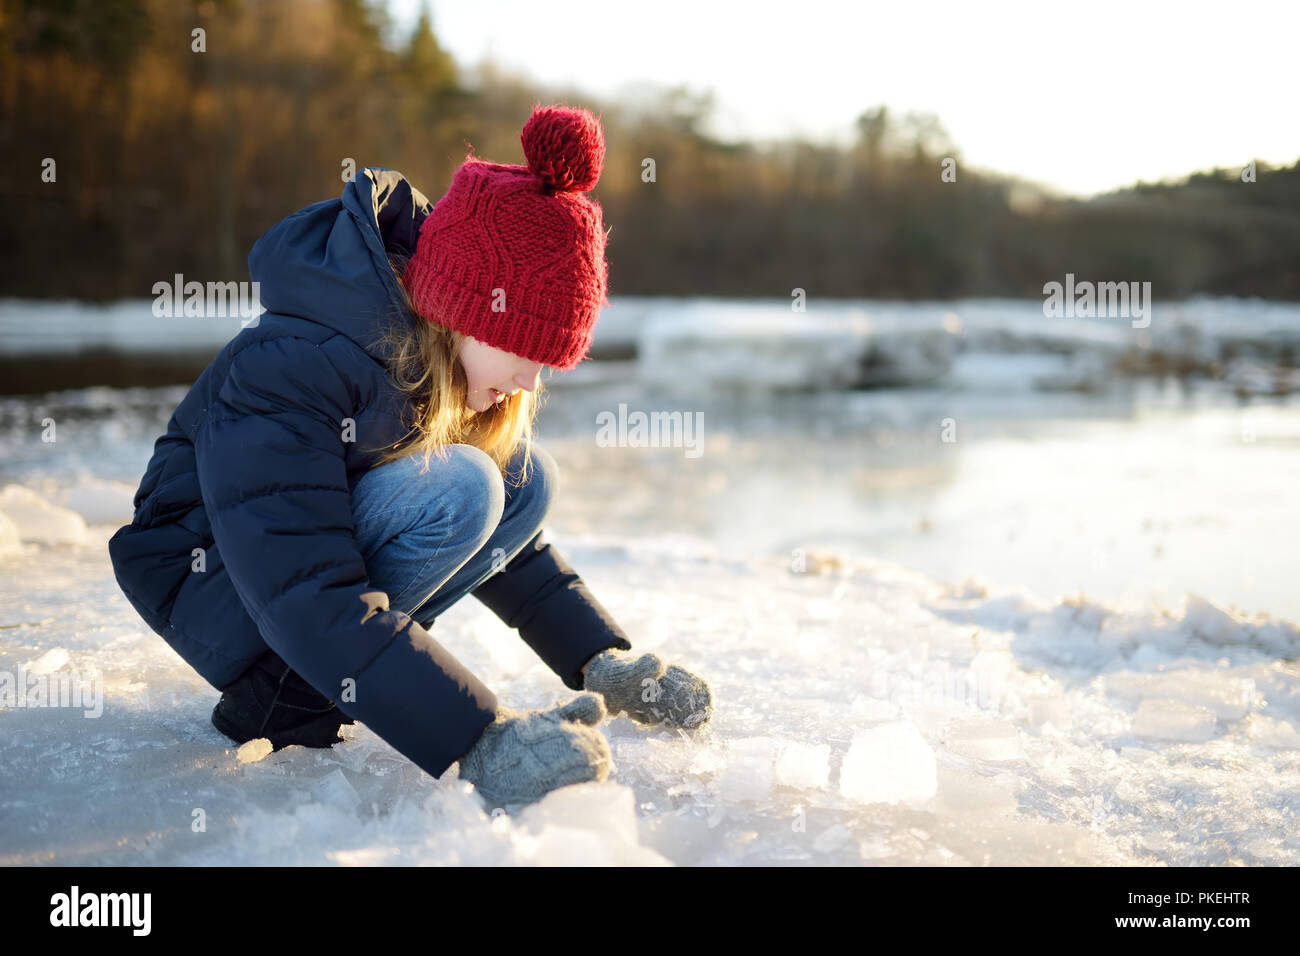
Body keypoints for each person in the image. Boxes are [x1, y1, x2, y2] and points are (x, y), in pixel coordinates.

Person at [107, 104, 712, 811]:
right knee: (463, 486)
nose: (528, 381)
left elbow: (515, 555)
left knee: (521, 477)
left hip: (285, 590)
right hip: (209, 582)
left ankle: (322, 682)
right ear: (470, 309)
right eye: (527, 352)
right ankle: (282, 698)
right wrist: (480, 741)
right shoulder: (293, 364)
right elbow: (303, 584)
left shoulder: (419, 357)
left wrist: (601, 660)